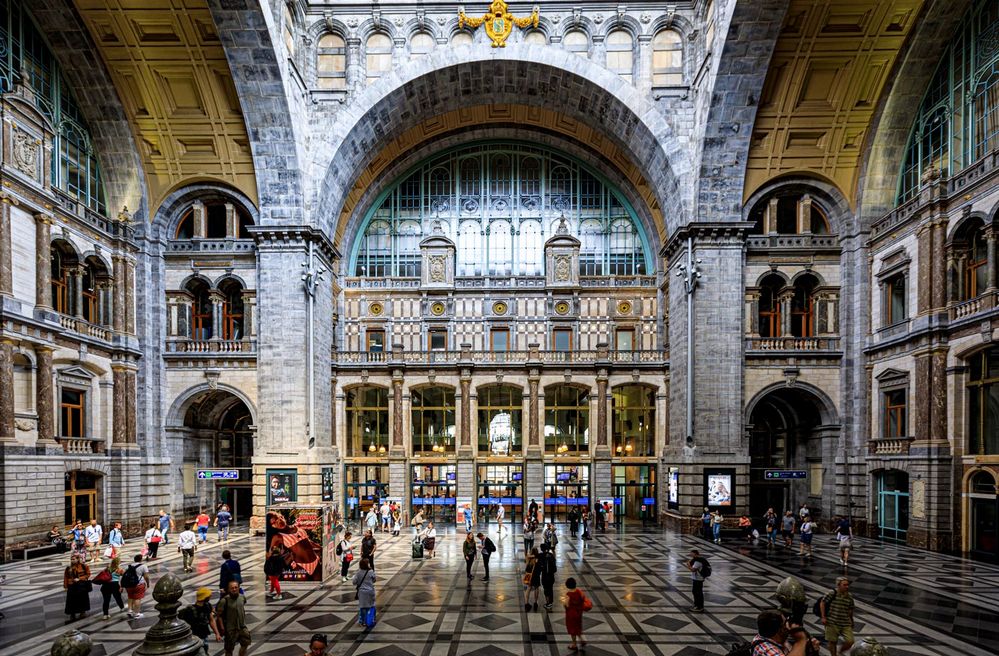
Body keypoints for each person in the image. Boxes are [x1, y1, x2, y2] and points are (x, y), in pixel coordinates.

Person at [267, 511, 321, 581]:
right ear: (272, 526)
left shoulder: (298, 527)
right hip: (301, 566)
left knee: (319, 588)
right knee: (303, 590)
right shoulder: (278, 537)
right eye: (274, 523)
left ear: (282, 517)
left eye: (278, 519)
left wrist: (322, 548)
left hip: (316, 562)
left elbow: (309, 542)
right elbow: (272, 555)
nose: (278, 522)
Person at [751, 609, 821, 656]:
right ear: (780, 630)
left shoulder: (777, 640)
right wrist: (801, 640)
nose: (788, 626)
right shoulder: (764, 649)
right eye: (785, 623)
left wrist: (808, 650)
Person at [819, 577, 855, 656]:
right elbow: (822, 602)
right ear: (838, 585)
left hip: (845, 622)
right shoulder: (832, 593)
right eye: (844, 585)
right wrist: (823, 617)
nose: (847, 587)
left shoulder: (849, 596)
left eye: (847, 585)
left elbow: (850, 609)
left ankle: (840, 652)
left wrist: (851, 620)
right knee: (832, 642)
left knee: (850, 640)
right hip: (832, 621)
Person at [180, 587, 221, 655]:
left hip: (204, 635)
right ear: (205, 597)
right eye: (209, 595)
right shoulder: (190, 610)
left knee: (205, 649)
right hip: (194, 637)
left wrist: (217, 633)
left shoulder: (207, 605)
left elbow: (211, 620)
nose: (210, 596)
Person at [217, 580, 251, 656]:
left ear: (239, 588)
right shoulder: (224, 600)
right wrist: (222, 628)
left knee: (245, 643)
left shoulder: (242, 597)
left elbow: (242, 606)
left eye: (236, 587)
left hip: (242, 627)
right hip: (230, 629)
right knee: (229, 649)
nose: (234, 589)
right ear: (228, 589)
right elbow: (219, 615)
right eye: (232, 588)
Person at [564, 577, 591, 651]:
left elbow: (567, 605)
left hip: (571, 615)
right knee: (578, 627)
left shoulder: (568, 594)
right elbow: (583, 599)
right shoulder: (579, 591)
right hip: (579, 613)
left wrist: (564, 603)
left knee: (572, 629)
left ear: (567, 586)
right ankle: (582, 639)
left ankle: (574, 644)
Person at [63, 554, 92, 620]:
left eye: (74, 559)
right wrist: (65, 586)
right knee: (71, 600)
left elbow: (88, 574)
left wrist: (80, 578)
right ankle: (72, 613)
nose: (72, 561)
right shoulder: (68, 568)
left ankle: (82, 612)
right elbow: (66, 577)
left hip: (81, 585)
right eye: (71, 559)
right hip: (71, 585)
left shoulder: (84, 566)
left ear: (77, 559)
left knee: (82, 599)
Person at [122, 553, 151, 619]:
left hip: (128, 585)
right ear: (140, 559)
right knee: (137, 598)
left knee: (130, 597)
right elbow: (146, 576)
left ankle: (129, 610)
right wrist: (148, 584)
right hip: (139, 584)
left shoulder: (129, 566)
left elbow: (124, 575)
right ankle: (137, 613)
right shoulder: (144, 566)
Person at [352, 557, 377, 628]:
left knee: (363, 608)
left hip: (362, 593)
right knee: (372, 606)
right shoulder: (371, 571)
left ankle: (363, 621)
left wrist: (354, 577)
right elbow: (374, 580)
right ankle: (372, 619)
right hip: (370, 591)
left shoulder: (358, 573)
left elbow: (354, 582)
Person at [538, 542, 558, 610]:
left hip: (545, 576)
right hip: (551, 576)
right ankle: (551, 602)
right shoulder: (551, 555)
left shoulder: (541, 555)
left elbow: (539, 566)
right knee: (550, 589)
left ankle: (548, 603)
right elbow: (555, 568)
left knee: (546, 590)